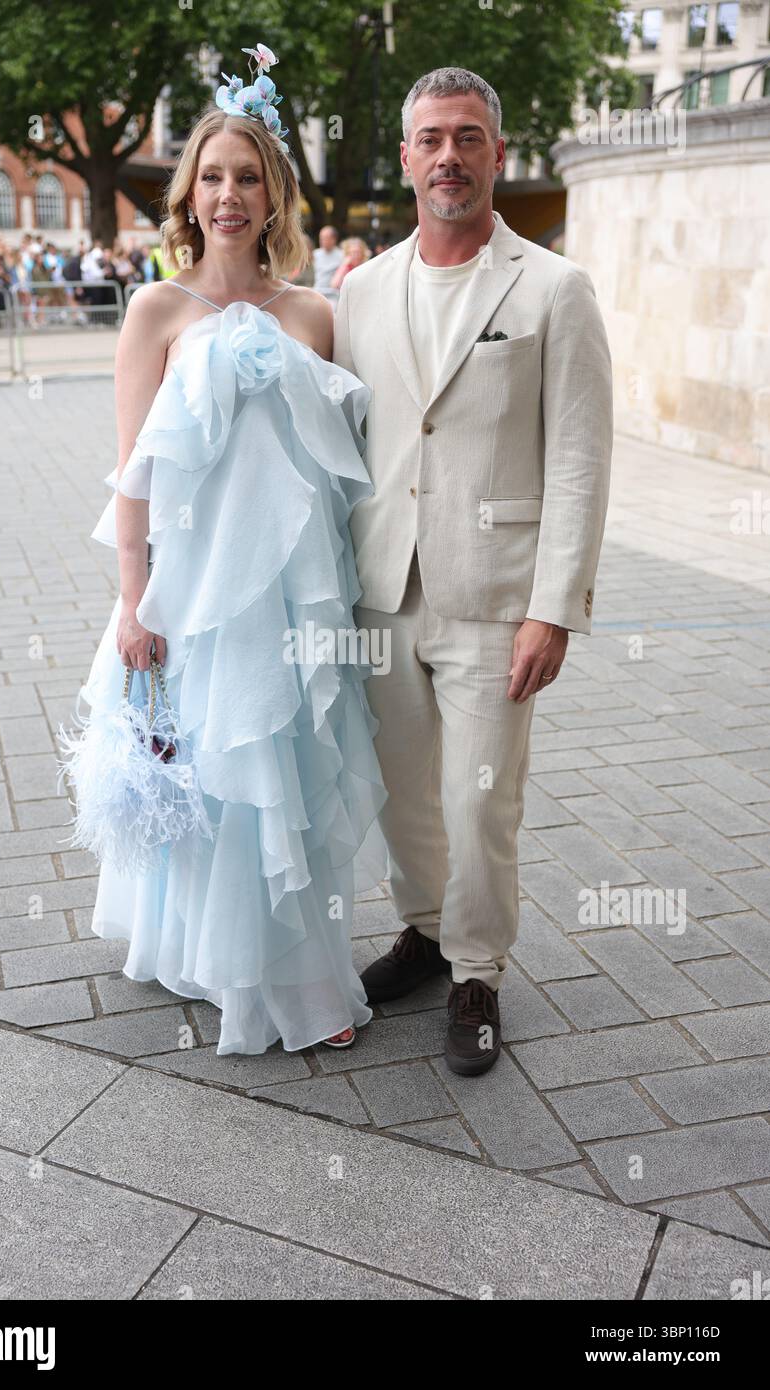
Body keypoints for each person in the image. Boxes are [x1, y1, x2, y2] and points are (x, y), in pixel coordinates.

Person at [60, 43, 388, 1056]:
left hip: (296, 589)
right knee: (211, 771)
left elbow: (337, 464)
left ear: (273, 191)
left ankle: (297, 976)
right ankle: (222, 962)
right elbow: (132, 472)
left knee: (286, 759)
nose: (229, 193)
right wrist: (133, 599)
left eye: (248, 176)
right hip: (194, 586)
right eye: (211, 175)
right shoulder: (157, 310)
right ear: (188, 193)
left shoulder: (316, 316)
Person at [334, 66, 613, 1076]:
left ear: (496, 152)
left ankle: (477, 973)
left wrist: (555, 607)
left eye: (466, 137)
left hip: (496, 595)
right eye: (428, 139)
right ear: (404, 159)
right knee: (399, 793)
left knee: (477, 798)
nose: (446, 155)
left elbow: (579, 456)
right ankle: (422, 931)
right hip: (379, 587)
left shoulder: (551, 286)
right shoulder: (359, 290)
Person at [311, 225, 343, 305]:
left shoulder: (342, 255)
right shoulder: (315, 254)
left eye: (325, 238)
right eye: (321, 238)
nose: (322, 241)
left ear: (334, 239)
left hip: (334, 295)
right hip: (316, 292)